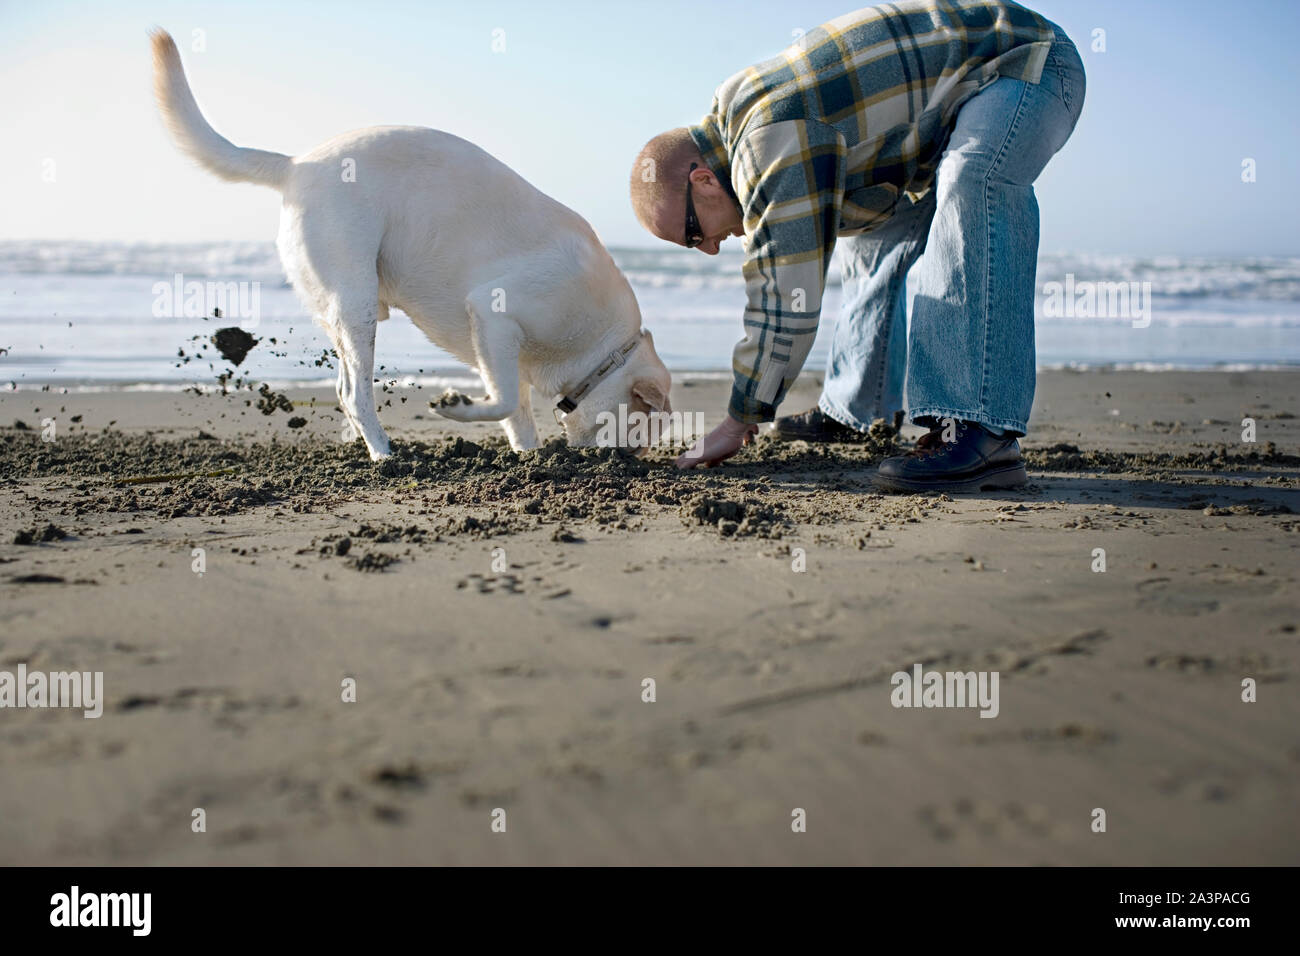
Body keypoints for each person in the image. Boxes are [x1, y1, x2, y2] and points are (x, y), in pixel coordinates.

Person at [629, 0, 1085, 491]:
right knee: (869, 236)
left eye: (693, 234)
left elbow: (784, 294)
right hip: (946, 111)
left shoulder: (769, 144)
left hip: (1027, 62)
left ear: (704, 181)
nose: (710, 249)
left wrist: (738, 421)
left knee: (973, 182)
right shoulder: (740, 122)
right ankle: (858, 409)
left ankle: (981, 429)